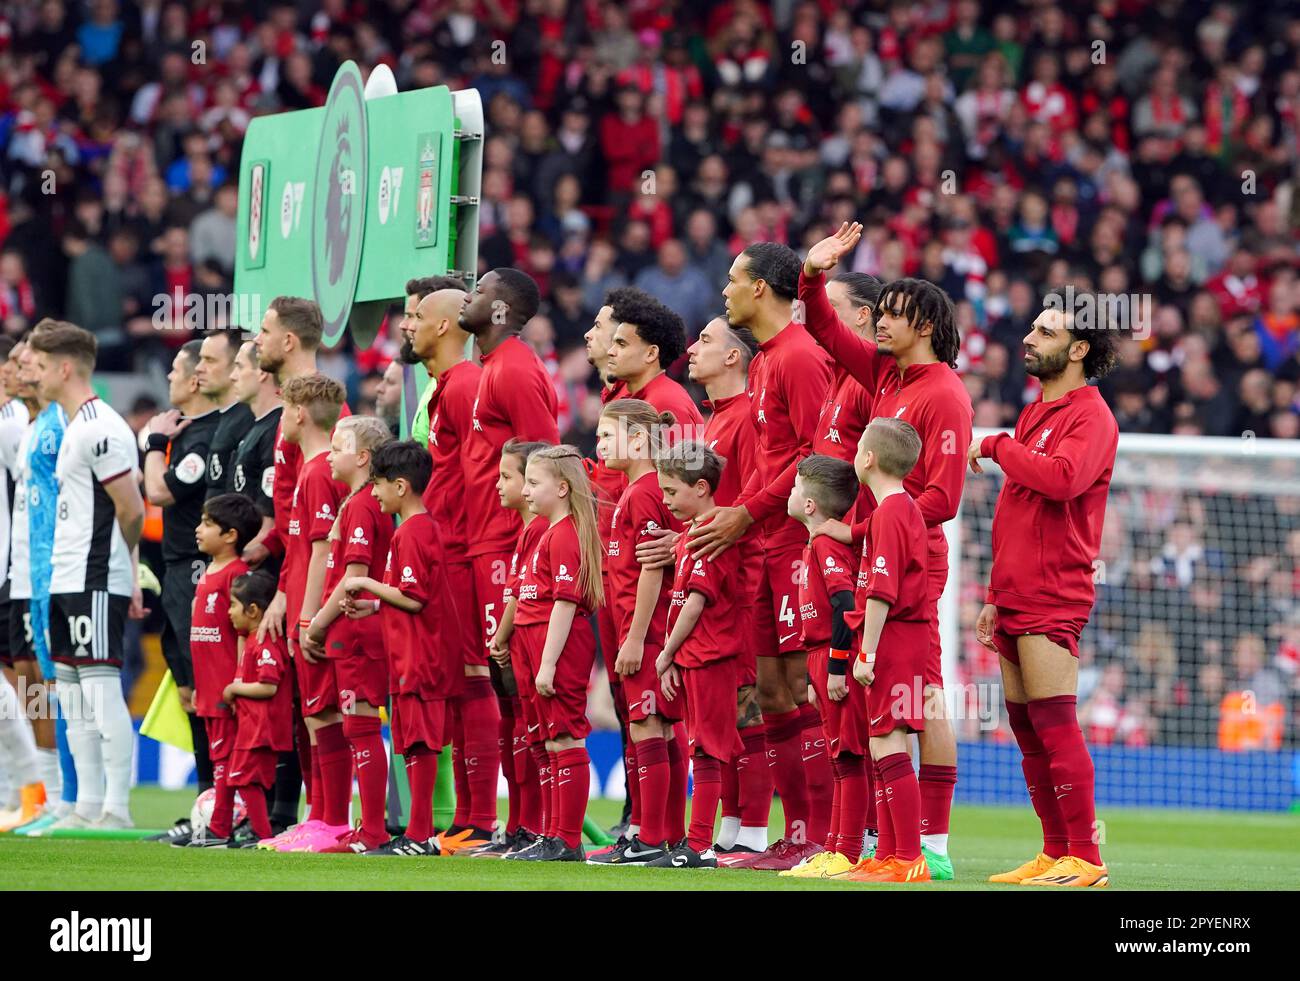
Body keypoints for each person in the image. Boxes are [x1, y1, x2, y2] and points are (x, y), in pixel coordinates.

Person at [799, 222, 971, 880]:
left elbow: (943, 497)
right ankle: (900, 842)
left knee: (923, 700)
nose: (879, 324)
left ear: (922, 322)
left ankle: (931, 843)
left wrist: (873, 526)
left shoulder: (946, 395)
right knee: (904, 701)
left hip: (909, 559)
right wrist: (813, 276)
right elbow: (825, 331)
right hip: (880, 549)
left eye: (892, 313)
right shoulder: (885, 371)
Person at [686, 242, 834, 870]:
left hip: (797, 543)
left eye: (733, 279)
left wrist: (745, 511)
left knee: (805, 691)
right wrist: (739, 515)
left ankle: (828, 836)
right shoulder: (770, 362)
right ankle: (795, 835)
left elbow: (814, 461)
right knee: (772, 693)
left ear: (764, 288)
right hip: (765, 541)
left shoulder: (801, 358)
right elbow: (769, 464)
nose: (724, 290)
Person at [970, 301, 1120, 888]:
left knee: (1055, 722)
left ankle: (1087, 857)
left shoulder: (1091, 416)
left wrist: (999, 446)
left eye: (1046, 332)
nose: (1029, 339)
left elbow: (1061, 481)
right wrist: (992, 592)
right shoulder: (1039, 411)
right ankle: (1056, 851)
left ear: (1079, 349)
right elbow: (1017, 509)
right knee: (1027, 725)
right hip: (1015, 589)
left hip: (1056, 587)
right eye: (1032, 328)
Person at [28, 320, 146, 830]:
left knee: (99, 694)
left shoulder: (101, 427)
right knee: (72, 697)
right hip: (66, 575)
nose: (32, 374)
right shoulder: (74, 423)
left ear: (64, 367)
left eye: (37, 365)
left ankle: (116, 807)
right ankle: (84, 806)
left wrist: (121, 566)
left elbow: (132, 508)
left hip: (95, 577)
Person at [403, 276, 500, 855]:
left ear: (443, 325)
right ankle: (467, 820)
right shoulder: (445, 386)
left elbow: (476, 476)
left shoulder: (464, 384)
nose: (407, 327)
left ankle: (481, 821)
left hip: (463, 552)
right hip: (447, 552)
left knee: (473, 677)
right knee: (460, 683)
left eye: (416, 318)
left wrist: (462, 545)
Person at [343, 440, 462, 857]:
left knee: (420, 743)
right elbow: (409, 596)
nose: (373, 493)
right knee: (412, 741)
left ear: (400, 486)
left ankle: (419, 835)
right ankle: (416, 832)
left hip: (421, 657)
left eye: (377, 484)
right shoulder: (413, 531)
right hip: (411, 654)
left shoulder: (413, 532)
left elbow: (413, 598)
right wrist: (374, 605)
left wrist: (365, 583)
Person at [679, 316, 768, 859]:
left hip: (738, 580)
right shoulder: (714, 421)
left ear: (734, 357)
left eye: (707, 341)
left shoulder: (748, 419)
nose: (692, 349)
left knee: (747, 703)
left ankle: (754, 830)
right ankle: (731, 825)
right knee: (725, 711)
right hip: (711, 572)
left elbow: (751, 504)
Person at [588, 399, 684, 866]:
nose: (599, 444)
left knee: (650, 726)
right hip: (642, 632)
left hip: (647, 634)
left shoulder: (645, 492)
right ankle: (658, 833)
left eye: (607, 436)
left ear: (640, 440)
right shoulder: (636, 491)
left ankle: (651, 834)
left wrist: (634, 636)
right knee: (655, 729)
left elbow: (649, 570)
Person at [261, 374, 350, 853]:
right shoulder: (314, 469)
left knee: (323, 715)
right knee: (315, 715)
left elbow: (320, 549)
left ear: (297, 413)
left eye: (283, 410)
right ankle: (320, 815)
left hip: (312, 612)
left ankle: (332, 820)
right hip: (302, 604)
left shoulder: (317, 473)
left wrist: (308, 614)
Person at [650, 440, 746, 868]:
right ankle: (702, 841)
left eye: (671, 491)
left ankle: (700, 844)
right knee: (701, 747)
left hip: (710, 656)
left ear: (702, 487)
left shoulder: (713, 534)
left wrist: (666, 651)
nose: (666, 501)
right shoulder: (689, 533)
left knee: (708, 750)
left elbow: (695, 602)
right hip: (694, 654)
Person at [505, 445, 603, 863]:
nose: (525, 491)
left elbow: (564, 603)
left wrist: (546, 664)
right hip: (533, 643)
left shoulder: (564, 535)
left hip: (554, 646)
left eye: (533, 482)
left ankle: (567, 839)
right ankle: (551, 834)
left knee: (564, 736)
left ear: (562, 488)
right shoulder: (545, 532)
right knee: (545, 740)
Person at [302, 415, 395, 854]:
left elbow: (354, 577)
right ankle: (368, 828)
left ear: (361, 458)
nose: (331, 455)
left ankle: (373, 831)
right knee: (359, 728)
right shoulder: (360, 502)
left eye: (339, 447)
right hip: (355, 630)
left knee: (360, 728)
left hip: (357, 630)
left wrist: (317, 623)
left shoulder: (361, 505)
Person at [845, 417, 931, 884]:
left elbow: (881, 591)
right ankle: (893, 855)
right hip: (898, 638)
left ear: (868, 458)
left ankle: (908, 857)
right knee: (882, 744)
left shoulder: (892, 512)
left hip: (894, 640)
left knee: (887, 741)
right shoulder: (895, 510)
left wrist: (868, 654)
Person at [780, 454, 871, 879]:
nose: (791, 493)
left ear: (812, 505)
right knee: (838, 757)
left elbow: (845, 605)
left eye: (797, 487)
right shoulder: (814, 543)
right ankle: (834, 847)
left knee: (849, 756)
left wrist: (835, 667)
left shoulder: (825, 544)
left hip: (836, 658)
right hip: (820, 659)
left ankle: (847, 852)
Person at [142, 339, 221, 816]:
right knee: (190, 691)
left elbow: (157, 491)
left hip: (194, 573)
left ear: (194, 380)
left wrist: (153, 442)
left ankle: (224, 800)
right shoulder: (189, 433)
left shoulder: (202, 437)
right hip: (177, 572)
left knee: (206, 691)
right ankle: (208, 801)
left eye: (175, 369)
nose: (168, 377)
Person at [4, 339, 72, 835]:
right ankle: (24, 792)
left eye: (23, 363)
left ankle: (44, 793)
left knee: (38, 684)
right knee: (21, 682)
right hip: (17, 570)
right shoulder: (21, 424)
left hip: (36, 572)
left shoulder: (26, 424)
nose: (15, 372)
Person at [480, 437, 552, 856]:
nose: (499, 484)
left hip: (531, 642)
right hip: (518, 642)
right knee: (517, 732)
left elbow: (522, 592)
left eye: (507, 476)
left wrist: (501, 635)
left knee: (533, 735)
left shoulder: (540, 529)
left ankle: (533, 827)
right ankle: (520, 826)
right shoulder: (529, 529)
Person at [182, 493, 260, 847]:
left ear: (230, 535)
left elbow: (244, 634)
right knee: (219, 758)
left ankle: (223, 826)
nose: (199, 530)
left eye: (207, 524)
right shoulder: (207, 573)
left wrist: (241, 679)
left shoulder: (237, 575)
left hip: (229, 687)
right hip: (209, 686)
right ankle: (221, 826)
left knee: (228, 760)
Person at [224, 570, 295, 846]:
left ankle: (262, 835)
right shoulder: (252, 639)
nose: (229, 612)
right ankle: (258, 832)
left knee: (244, 778)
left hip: (260, 727)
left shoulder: (265, 641)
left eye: (233, 605)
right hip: (251, 726)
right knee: (246, 779)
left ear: (252, 610)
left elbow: (268, 686)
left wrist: (233, 689)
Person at [196, 329, 253, 500]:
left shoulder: (249, 421)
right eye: (200, 359)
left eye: (210, 360)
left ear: (237, 364)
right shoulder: (223, 418)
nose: (199, 368)